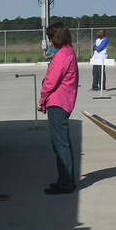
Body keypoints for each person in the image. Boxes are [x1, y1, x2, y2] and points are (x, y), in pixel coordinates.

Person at [38, 22, 79, 194]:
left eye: (50, 38)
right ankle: (67, 180)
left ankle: (65, 184)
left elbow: (50, 82)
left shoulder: (61, 56)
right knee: (64, 144)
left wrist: (42, 99)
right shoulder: (69, 52)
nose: (49, 42)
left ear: (55, 39)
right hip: (65, 102)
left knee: (60, 145)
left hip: (58, 103)